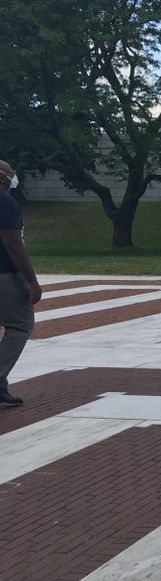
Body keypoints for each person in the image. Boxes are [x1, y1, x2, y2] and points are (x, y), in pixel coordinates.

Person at [0, 160, 41, 406]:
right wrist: (31, 280)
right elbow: (13, 243)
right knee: (21, 324)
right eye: (12, 172)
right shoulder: (5, 202)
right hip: (3, 272)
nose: (14, 176)